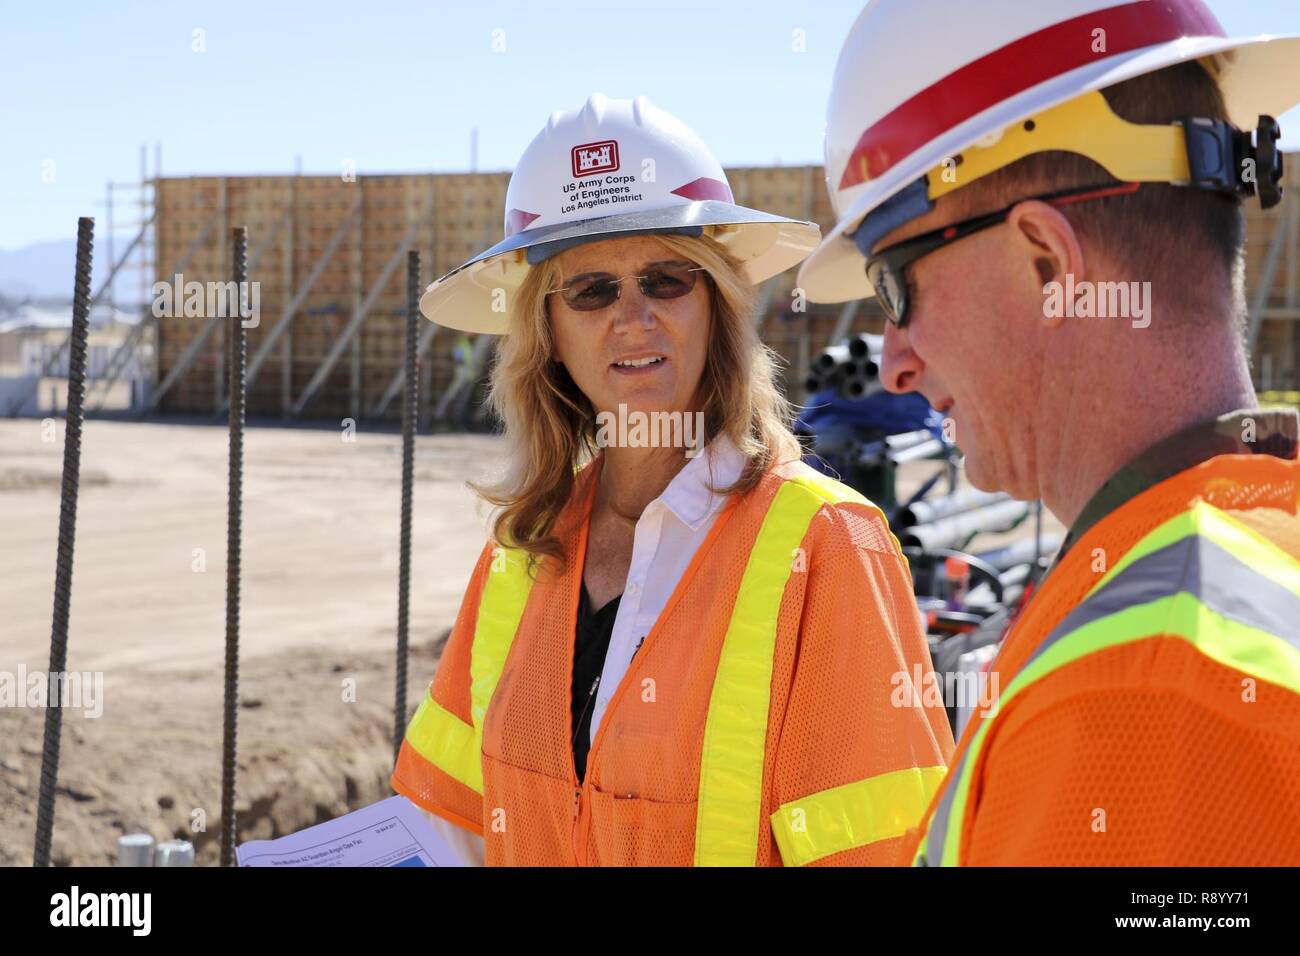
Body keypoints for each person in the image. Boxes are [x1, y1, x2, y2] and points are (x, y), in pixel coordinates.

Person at [390, 94, 953, 866]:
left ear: (718, 308)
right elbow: (447, 831)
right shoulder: (519, 551)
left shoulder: (827, 547)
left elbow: (878, 852)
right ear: (547, 333)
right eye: (591, 290)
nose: (634, 318)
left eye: (667, 280)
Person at [799, 0, 1300, 865]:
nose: (895, 366)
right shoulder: (1255, 549)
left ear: (1048, 264)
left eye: (894, 289)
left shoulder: (1137, 694)